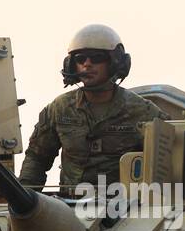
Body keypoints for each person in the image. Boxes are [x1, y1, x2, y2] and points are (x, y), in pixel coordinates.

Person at [18, 24, 164, 193]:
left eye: (96, 58)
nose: (87, 64)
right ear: (72, 65)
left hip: (123, 211)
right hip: (70, 210)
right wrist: (25, 199)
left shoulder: (143, 112)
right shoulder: (59, 109)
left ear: (115, 62)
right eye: (80, 59)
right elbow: (37, 158)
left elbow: (167, 160)